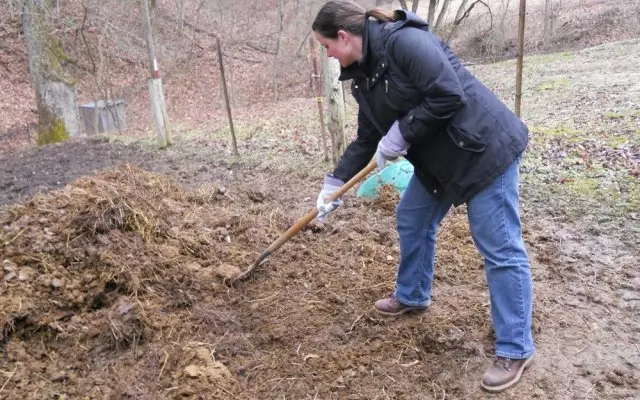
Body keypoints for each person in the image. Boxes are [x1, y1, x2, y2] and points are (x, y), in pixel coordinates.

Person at [312, 0, 535, 394]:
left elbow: (448, 94)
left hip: (483, 150)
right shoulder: (363, 77)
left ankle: (516, 348)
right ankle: (412, 295)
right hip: (439, 162)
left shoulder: (406, 43)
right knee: (412, 218)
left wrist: (401, 133)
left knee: (499, 248)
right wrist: (334, 182)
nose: (326, 53)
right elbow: (367, 137)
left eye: (325, 45)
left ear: (343, 37)